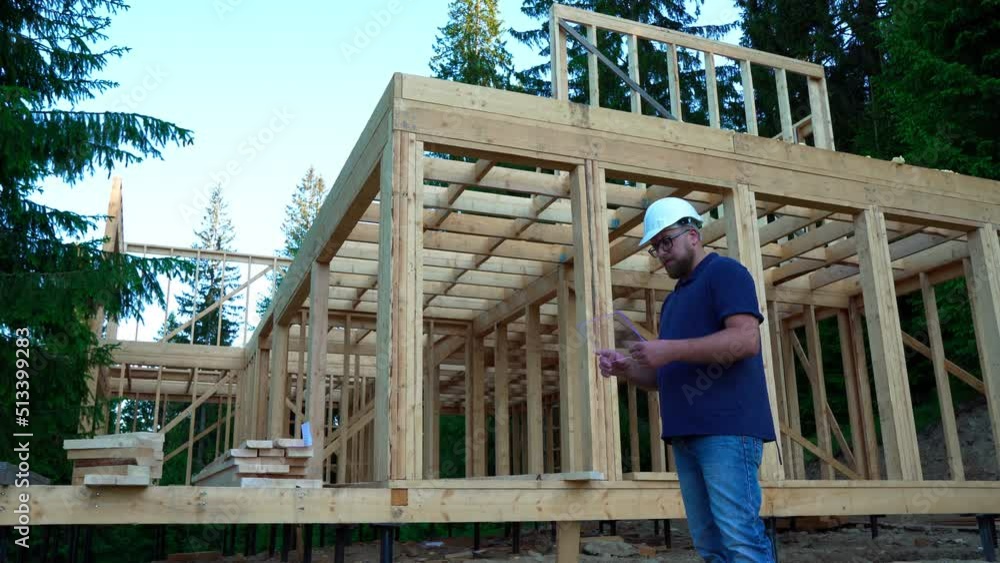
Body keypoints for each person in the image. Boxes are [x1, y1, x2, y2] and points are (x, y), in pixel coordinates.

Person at [597, 197, 776, 563]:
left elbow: (745, 340)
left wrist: (670, 349)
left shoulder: (726, 273)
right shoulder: (673, 302)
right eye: (655, 247)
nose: (661, 253)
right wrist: (627, 368)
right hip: (685, 436)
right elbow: (664, 377)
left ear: (693, 235)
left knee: (740, 540)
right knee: (710, 546)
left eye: (666, 241)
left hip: (727, 430)